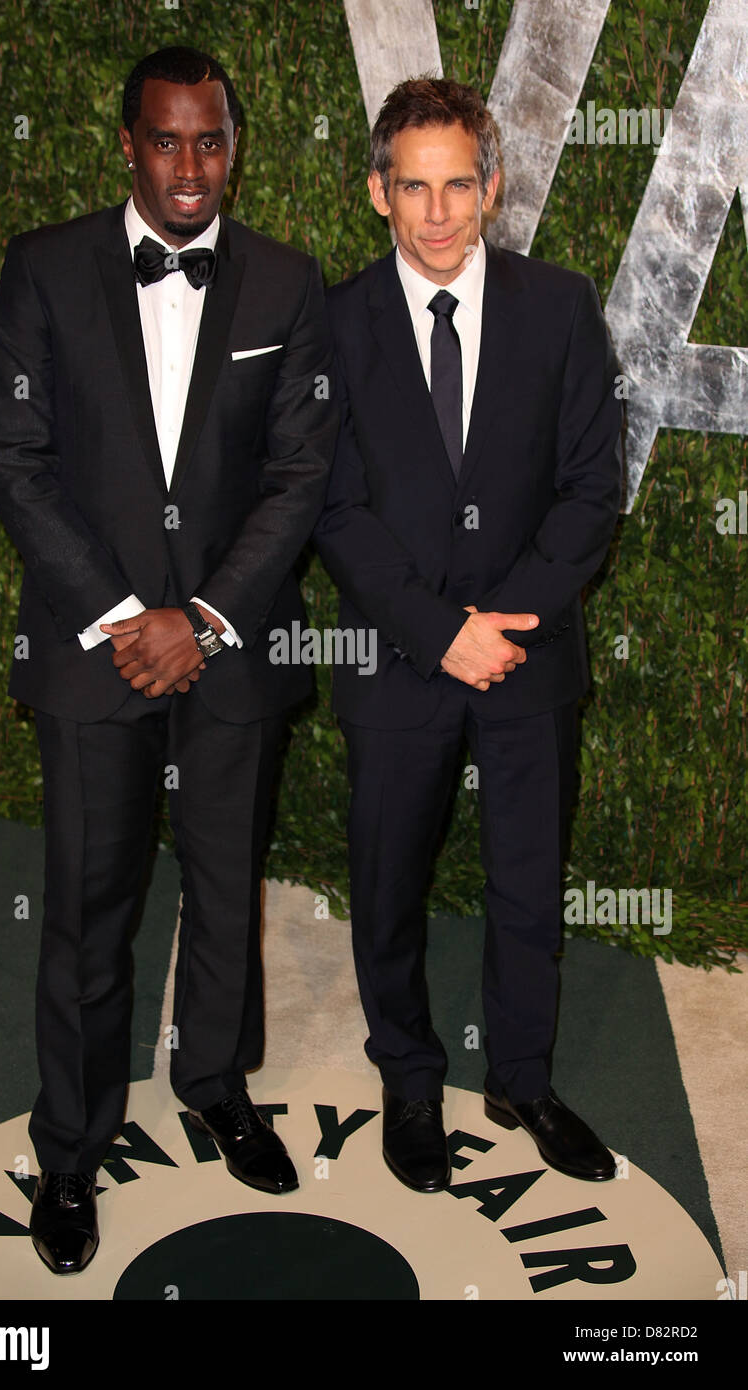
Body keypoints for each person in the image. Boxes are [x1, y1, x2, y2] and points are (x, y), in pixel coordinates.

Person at [0, 45, 337, 1273]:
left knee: (225, 885)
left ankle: (217, 1084)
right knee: (87, 907)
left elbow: (299, 474)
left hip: (228, 652)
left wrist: (208, 619)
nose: (191, 167)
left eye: (212, 141)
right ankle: (69, 1152)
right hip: (96, 653)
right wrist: (129, 614)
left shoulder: (289, 284)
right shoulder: (44, 268)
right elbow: (15, 456)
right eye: (167, 140)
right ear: (126, 143)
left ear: (237, 144)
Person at [314, 78, 622, 1194]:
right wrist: (439, 631)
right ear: (376, 193)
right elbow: (332, 503)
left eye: (458, 184)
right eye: (413, 187)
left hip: (528, 656)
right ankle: (407, 1076)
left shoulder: (558, 304)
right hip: (398, 658)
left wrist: (505, 624)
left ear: (491, 187)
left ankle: (522, 1079)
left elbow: (593, 489)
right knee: (387, 881)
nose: (438, 212)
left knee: (529, 884)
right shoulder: (335, 321)